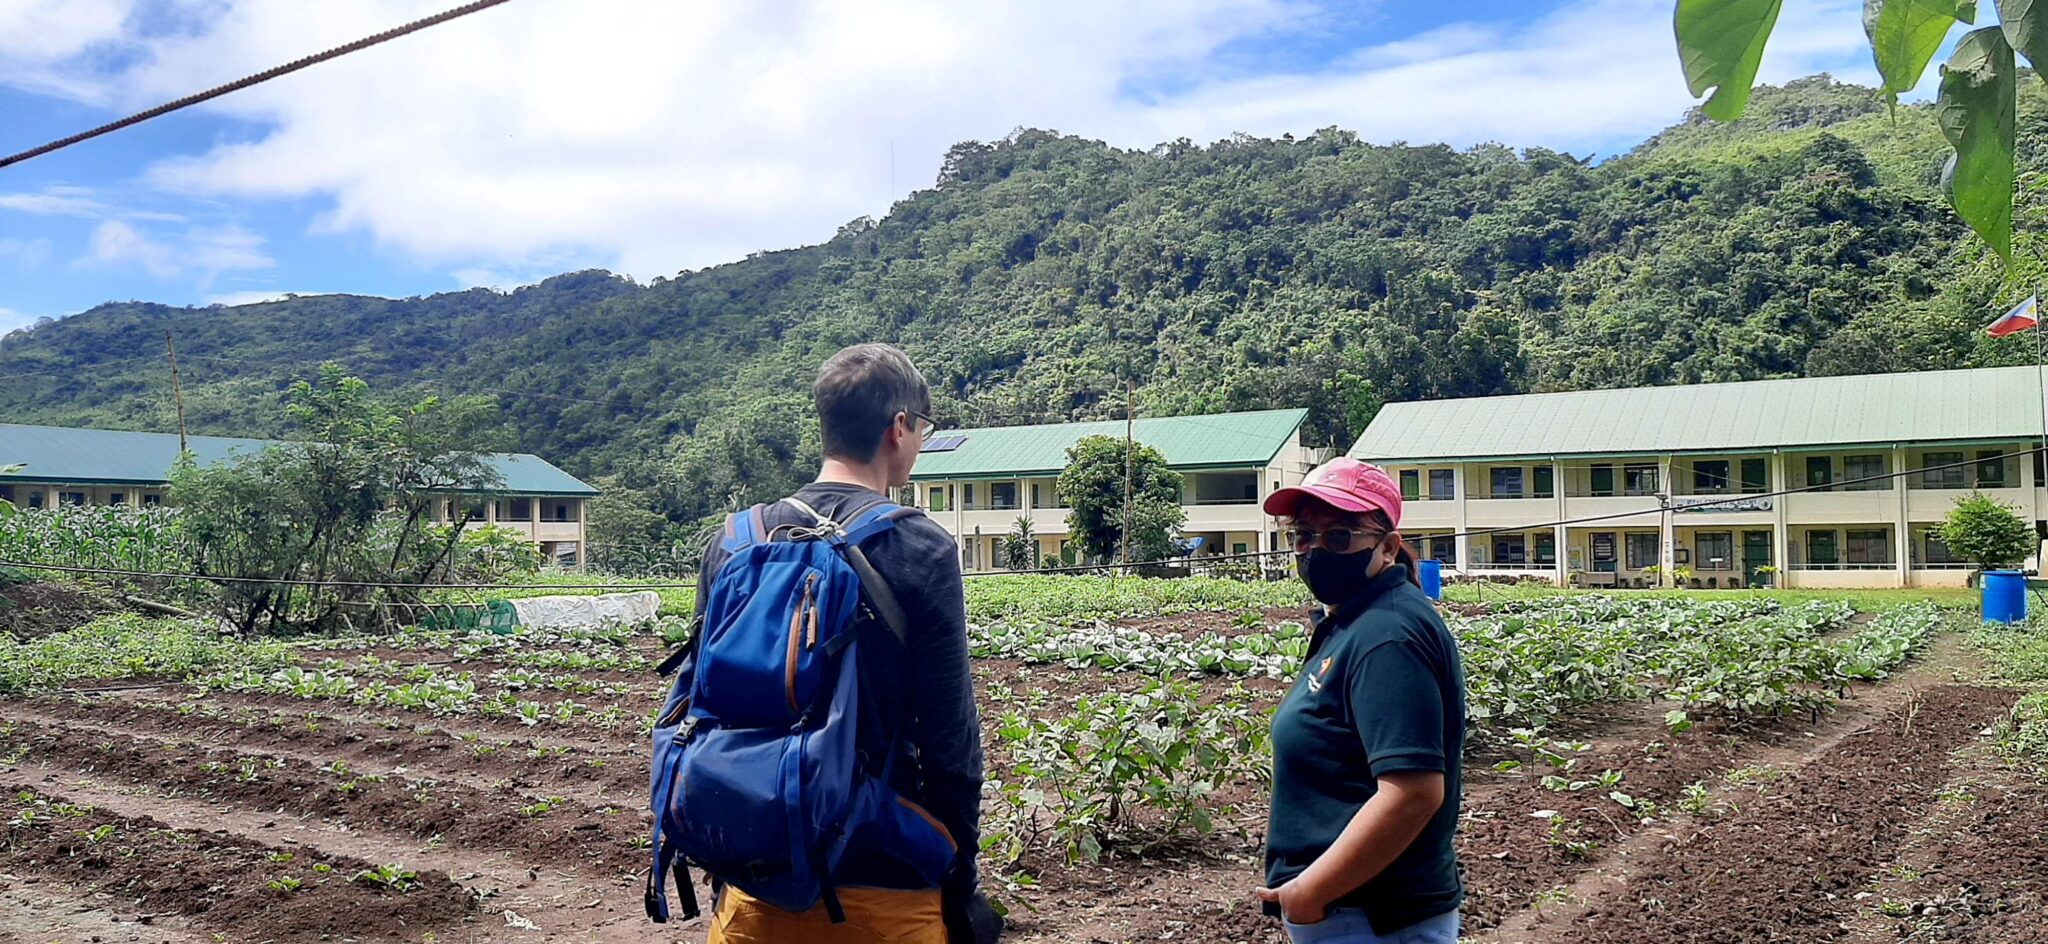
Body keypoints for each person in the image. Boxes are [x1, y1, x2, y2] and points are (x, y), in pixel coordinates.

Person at [696, 343, 1000, 944]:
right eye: (923, 428)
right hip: (882, 892)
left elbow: (701, 709)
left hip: (753, 887)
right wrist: (960, 882)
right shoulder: (920, 548)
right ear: (899, 428)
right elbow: (951, 745)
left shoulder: (735, 542)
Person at [1253, 457, 1465, 943]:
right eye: (1304, 535)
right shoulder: (1360, 618)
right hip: (1356, 911)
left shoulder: (1387, 636)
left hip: (1372, 916)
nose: (1316, 550)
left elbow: (1411, 792)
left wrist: (1309, 893)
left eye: (1340, 536)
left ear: (1388, 547)